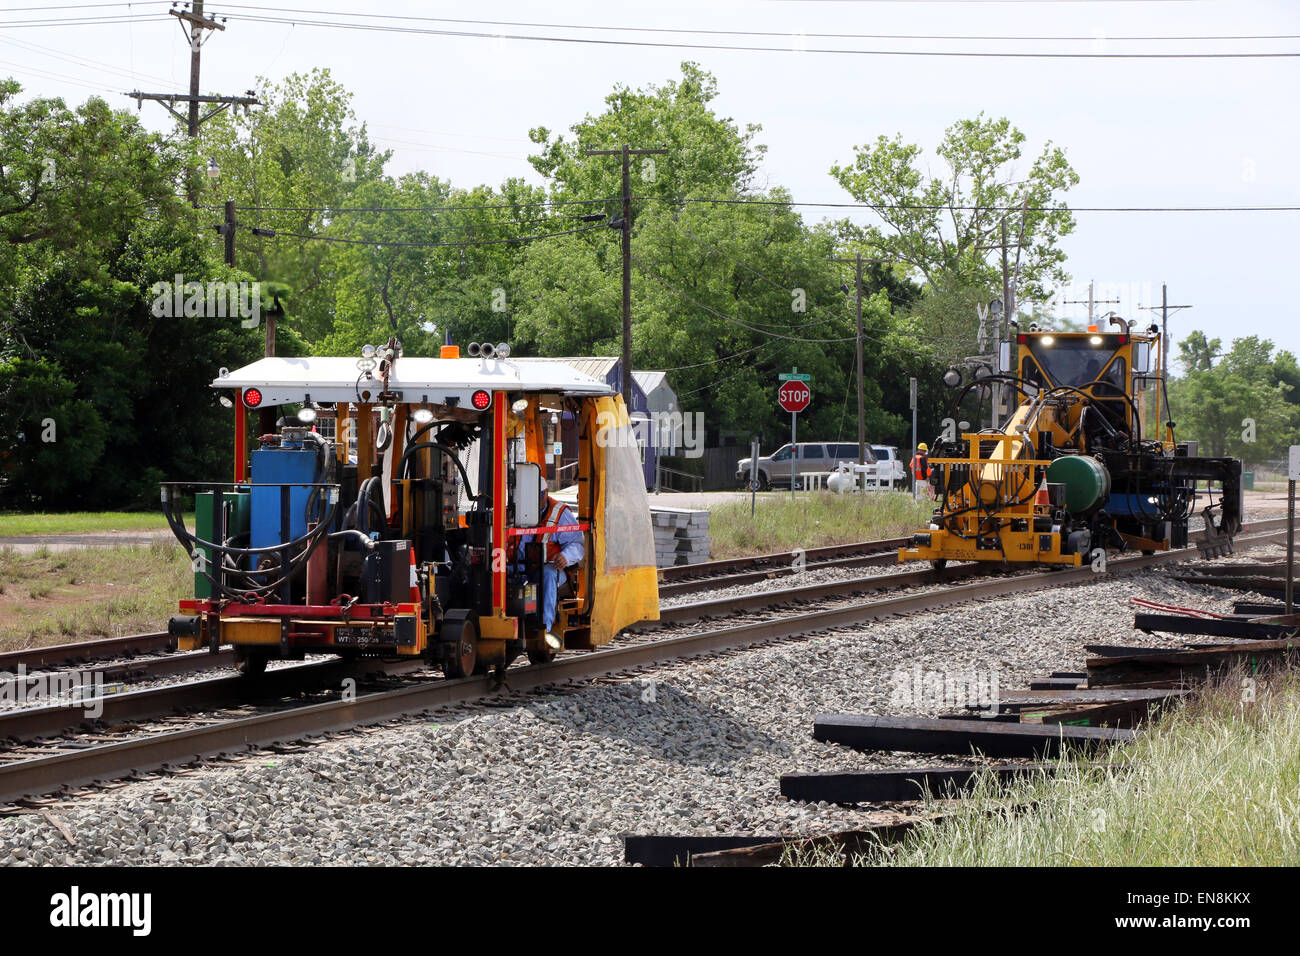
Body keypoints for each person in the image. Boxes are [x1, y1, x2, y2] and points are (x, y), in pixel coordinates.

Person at [516, 475, 584, 649]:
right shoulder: (514, 511)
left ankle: (544, 630)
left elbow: (577, 543)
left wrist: (566, 557)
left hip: (551, 569)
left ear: (545, 493)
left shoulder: (559, 513)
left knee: (546, 575)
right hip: (521, 566)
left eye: (536, 498)